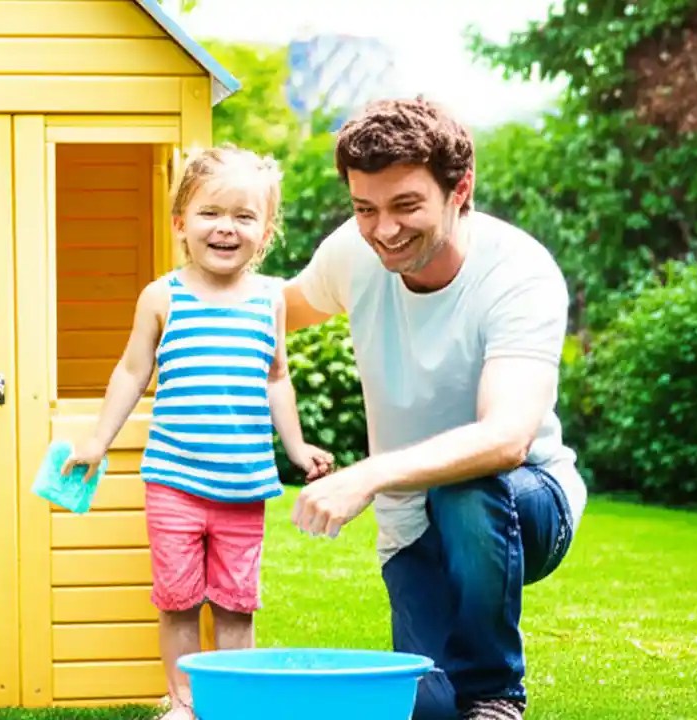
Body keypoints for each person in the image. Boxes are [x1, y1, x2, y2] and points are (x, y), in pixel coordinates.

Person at [283, 98, 587, 720]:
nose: (384, 230)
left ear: (460, 188)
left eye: (406, 206)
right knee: (423, 707)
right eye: (365, 208)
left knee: (463, 490)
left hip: (527, 503)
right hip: (410, 527)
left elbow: (506, 440)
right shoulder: (353, 252)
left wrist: (367, 473)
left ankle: (497, 692)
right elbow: (276, 313)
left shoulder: (518, 273)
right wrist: (179, 308)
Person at [62, 146, 333, 720]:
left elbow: (276, 379)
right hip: (174, 484)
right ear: (181, 222)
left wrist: (297, 446)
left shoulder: (269, 301)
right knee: (179, 604)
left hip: (243, 488)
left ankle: (235, 706)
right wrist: (96, 441)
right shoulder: (163, 297)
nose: (226, 228)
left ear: (266, 231)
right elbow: (132, 371)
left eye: (244, 216)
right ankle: (185, 705)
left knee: (236, 608)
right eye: (211, 213)